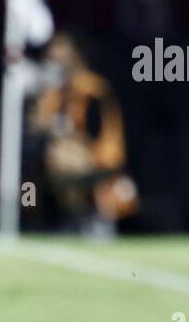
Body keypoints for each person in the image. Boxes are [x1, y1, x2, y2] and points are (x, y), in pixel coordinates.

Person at [27, 33, 138, 237]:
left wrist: (59, 130)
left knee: (62, 155)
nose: (53, 54)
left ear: (76, 54)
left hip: (100, 157)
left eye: (60, 47)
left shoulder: (94, 89)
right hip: (62, 159)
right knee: (36, 166)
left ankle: (91, 216)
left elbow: (95, 134)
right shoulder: (55, 89)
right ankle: (46, 217)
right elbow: (36, 123)